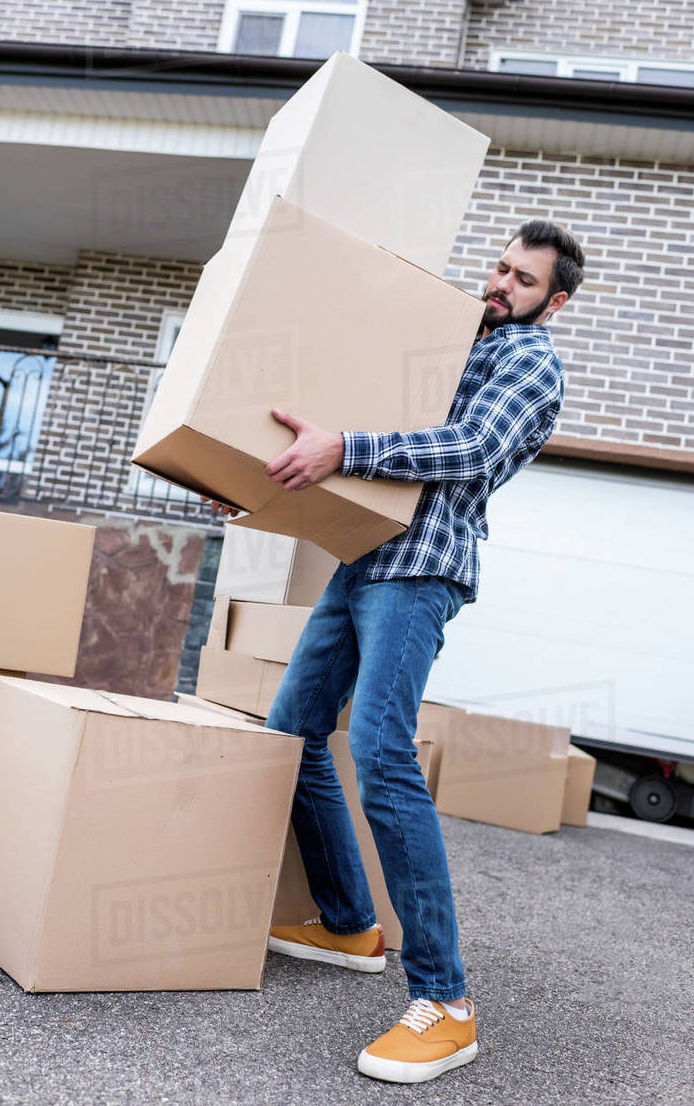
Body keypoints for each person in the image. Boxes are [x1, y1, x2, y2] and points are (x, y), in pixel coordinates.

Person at [205, 219, 585, 1085]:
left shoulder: (528, 360)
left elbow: (469, 450)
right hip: (360, 561)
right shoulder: (445, 342)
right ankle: (346, 922)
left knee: (380, 751)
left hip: (420, 573)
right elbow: (352, 439)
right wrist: (264, 488)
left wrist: (345, 446)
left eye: (521, 280)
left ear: (552, 300)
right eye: (498, 268)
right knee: (293, 728)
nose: (499, 285)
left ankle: (446, 1002)